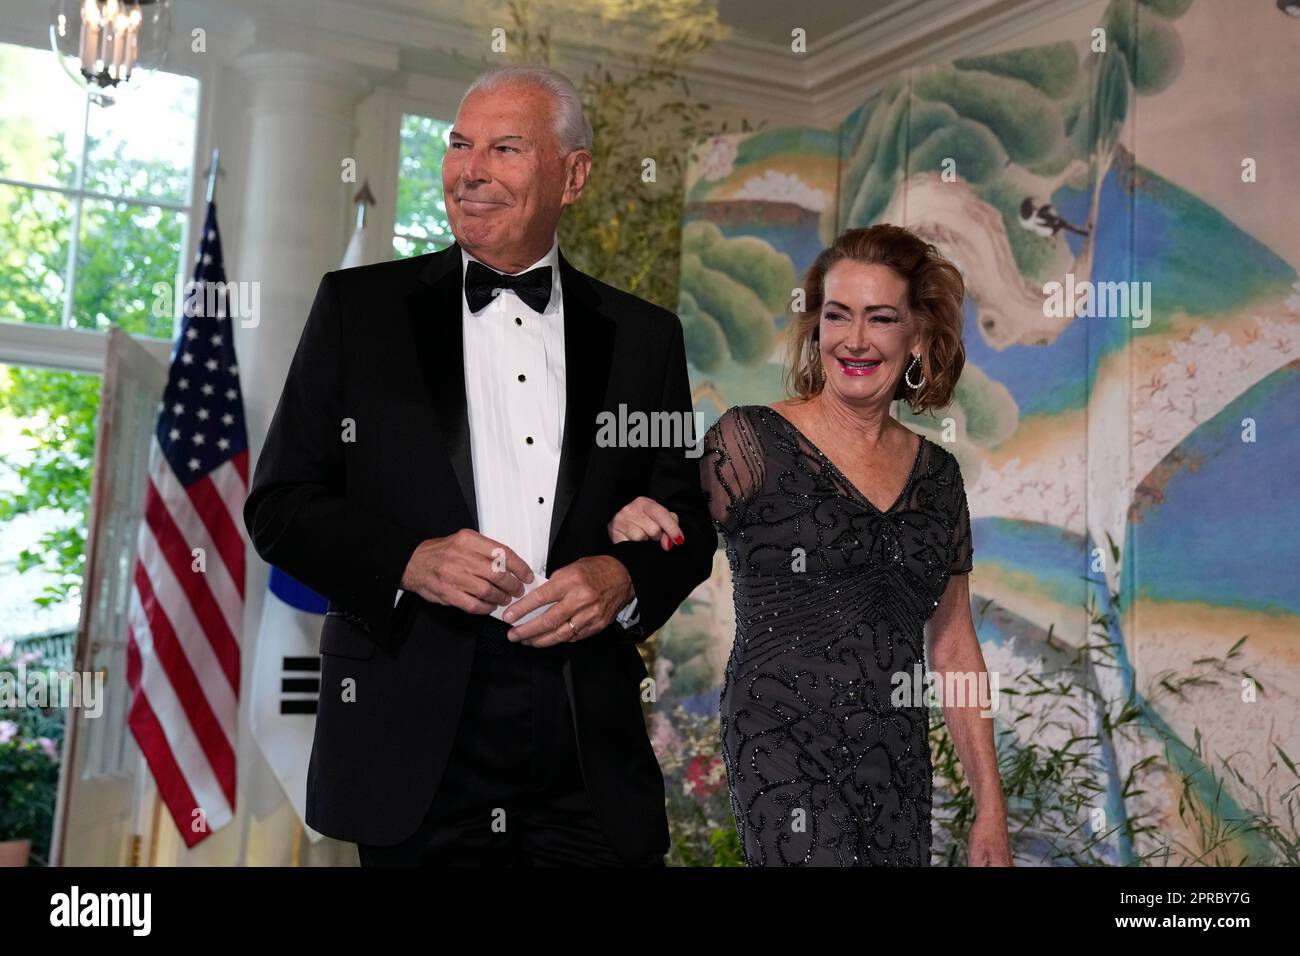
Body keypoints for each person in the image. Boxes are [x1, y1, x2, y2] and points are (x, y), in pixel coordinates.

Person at [243, 64, 715, 866]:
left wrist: (624, 577)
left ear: (574, 176)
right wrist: (409, 560)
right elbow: (280, 504)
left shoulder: (645, 338)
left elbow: (687, 518)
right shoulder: (358, 311)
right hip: (411, 730)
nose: (471, 169)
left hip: (581, 738)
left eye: (505, 148)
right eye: (460, 144)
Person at [609, 224, 1012, 865]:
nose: (854, 340)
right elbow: (670, 529)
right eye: (837, 315)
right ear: (815, 327)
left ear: (916, 337)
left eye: (880, 318)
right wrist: (624, 519)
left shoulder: (939, 479)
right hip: (779, 745)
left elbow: (956, 645)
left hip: (895, 761)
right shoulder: (750, 443)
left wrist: (990, 804)